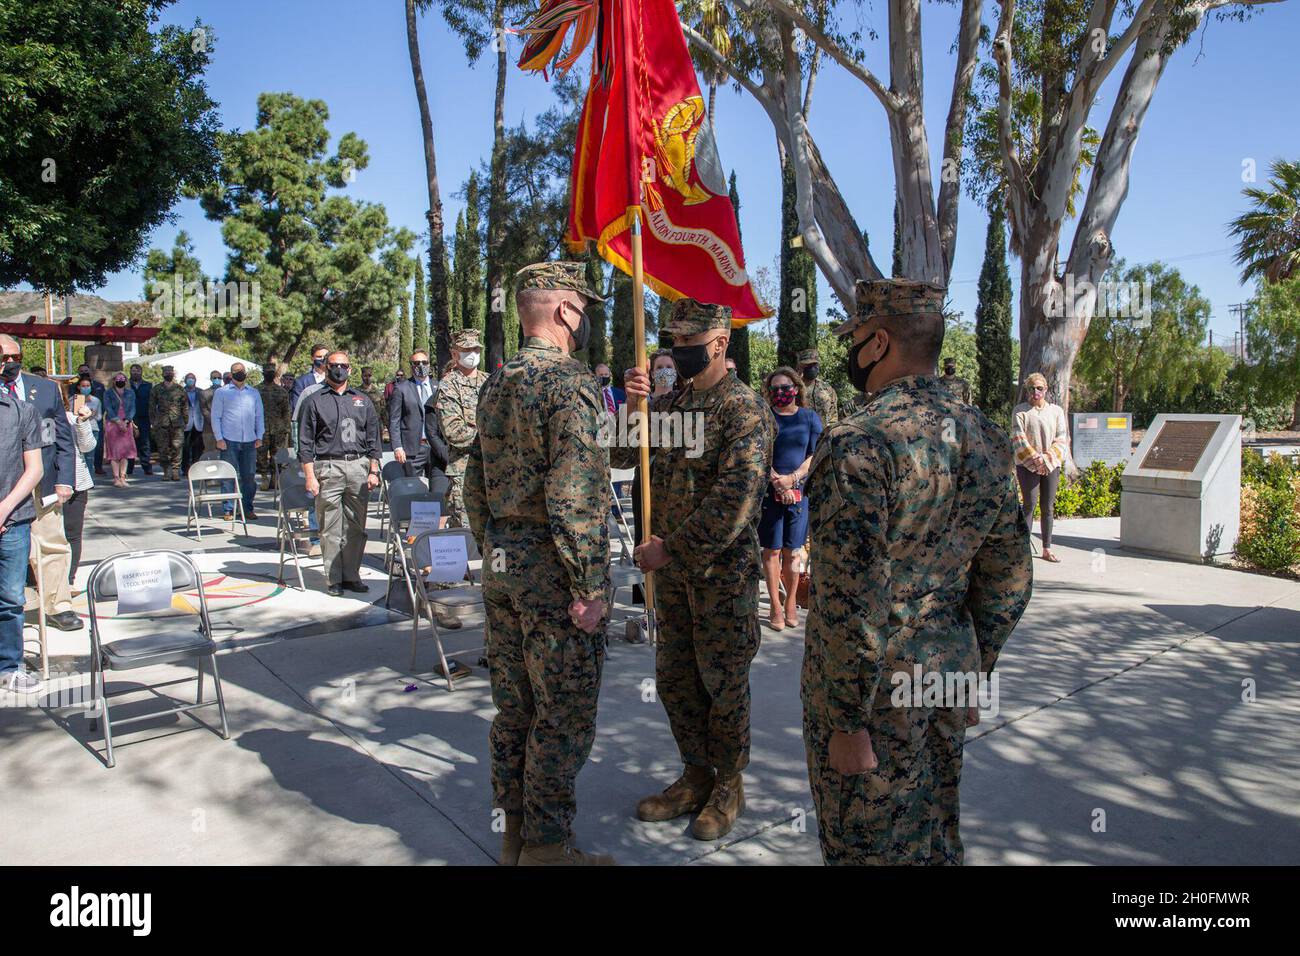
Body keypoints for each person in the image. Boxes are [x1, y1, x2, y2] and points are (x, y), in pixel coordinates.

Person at [802, 278, 1033, 865]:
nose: (849, 350)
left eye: (854, 337)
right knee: (935, 831)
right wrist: (975, 666)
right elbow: (1009, 576)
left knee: (868, 846)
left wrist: (848, 722)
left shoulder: (857, 441)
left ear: (878, 343)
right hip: (946, 672)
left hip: (877, 693)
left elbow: (850, 601)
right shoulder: (985, 436)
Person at [464, 261, 613, 867]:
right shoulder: (568, 384)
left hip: (505, 564)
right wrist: (589, 584)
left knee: (514, 709)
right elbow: (573, 495)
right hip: (554, 571)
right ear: (562, 311)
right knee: (562, 716)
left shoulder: (496, 383)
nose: (584, 320)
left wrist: (493, 548)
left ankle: (514, 835)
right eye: (581, 307)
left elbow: (473, 482)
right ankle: (548, 851)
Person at [618, 298, 775, 842]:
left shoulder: (744, 410)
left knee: (723, 683)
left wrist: (672, 550)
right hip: (673, 581)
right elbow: (618, 453)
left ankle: (729, 784)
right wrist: (632, 407)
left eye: (687, 344)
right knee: (676, 681)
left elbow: (736, 501)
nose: (677, 353)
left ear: (718, 343)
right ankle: (694, 774)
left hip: (720, 578)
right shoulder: (669, 406)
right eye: (673, 343)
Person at [1, 337, 80, 634]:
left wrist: (65, 480)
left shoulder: (45, 389)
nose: (9, 363)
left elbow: (63, 437)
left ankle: (58, 605)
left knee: (51, 544)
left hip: (42, 483)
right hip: (5, 483)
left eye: (14, 356)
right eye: (3, 358)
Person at [297, 351, 380, 596]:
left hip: (358, 467)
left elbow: (373, 437)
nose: (339, 370)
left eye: (344, 366)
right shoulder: (314, 400)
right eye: (334, 365)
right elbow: (305, 442)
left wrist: (373, 469)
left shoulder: (362, 400)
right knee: (330, 526)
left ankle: (351, 575)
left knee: (356, 527)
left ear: (350, 369)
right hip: (328, 467)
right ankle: (333, 579)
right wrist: (310, 476)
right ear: (325, 367)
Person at [759, 367, 823, 631]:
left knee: (793, 551)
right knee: (772, 550)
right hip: (769, 492)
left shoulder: (809, 418)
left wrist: (792, 480)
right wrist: (777, 480)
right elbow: (759, 452)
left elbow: (814, 454)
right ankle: (775, 604)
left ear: (796, 388)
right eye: (776, 388)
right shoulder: (765, 417)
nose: (781, 392)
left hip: (798, 494)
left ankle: (791, 601)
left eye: (786, 387)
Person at [0, 379, 45, 693]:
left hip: (13, 519)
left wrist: (4, 508)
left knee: (11, 599)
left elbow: (34, 469)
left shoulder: (21, 411)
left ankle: (9, 666)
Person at [1013, 372, 1069, 563]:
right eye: (1032, 388)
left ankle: (1047, 548)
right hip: (1027, 465)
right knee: (1029, 506)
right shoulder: (1020, 411)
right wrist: (1035, 458)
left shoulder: (1056, 411)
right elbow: (1019, 439)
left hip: (1050, 464)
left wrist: (1047, 459)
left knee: (1048, 507)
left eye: (1039, 388)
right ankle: (1022, 551)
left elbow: (1062, 437)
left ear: (1046, 389)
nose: (1036, 392)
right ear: (1027, 390)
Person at [436, 329, 489, 529]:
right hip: (465, 473)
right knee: (466, 534)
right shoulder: (449, 386)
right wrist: (492, 435)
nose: (473, 353)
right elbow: (454, 432)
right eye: (467, 349)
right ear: (454, 354)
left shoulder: (490, 381)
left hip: (492, 471)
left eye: (476, 349)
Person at [211, 363, 265, 521]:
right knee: (229, 475)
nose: (240, 373)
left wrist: (259, 436)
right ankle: (228, 509)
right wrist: (219, 438)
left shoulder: (254, 393)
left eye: (242, 371)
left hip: (250, 440)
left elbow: (259, 416)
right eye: (236, 371)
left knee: (249, 476)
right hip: (229, 440)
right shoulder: (222, 393)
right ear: (231, 374)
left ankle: (247, 508)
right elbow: (216, 416)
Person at [62, 385, 98, 587]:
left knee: (72, 533)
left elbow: (87, 446)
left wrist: (82, 422)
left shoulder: (70, 418)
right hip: (47, 487)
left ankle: (69, 579)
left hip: (76, 484)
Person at [388, 349, 438, 478]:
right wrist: (397, 447)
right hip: (412, 449)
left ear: (429, 364)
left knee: (438, 489)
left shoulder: (438, 387)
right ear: (411, 366)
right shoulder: (401, 388)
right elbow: (394, 420)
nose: (421, 366)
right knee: (413, 489)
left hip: (436, 447)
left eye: (424, 362)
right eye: (416, 363)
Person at [149, 365, 188, 481]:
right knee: (163, 448)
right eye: (166, 372)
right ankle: (166, 471)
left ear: (173, 374)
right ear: (162, 374)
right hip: (162, 423)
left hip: (177, 423)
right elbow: (151, 407)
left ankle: (175, 470)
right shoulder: (156, 389)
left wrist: (186, 420)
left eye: (170, 372)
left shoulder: (180, 389)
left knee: (177, 447)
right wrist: (153, 422)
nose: (168, 374)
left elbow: (185, 406)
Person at [258, 363, 291, 490]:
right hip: (262, 428)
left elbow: (286, 411)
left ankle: (275, 477)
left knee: (277, 454)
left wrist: (287, 428)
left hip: (278, 429)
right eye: (267, 372)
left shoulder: (281, 391)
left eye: (272, 372)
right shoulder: (256, 390)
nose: (270, 374)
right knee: (261, 454)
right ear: (263, 374)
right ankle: (264, 477)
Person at [101, 372, 137, 487]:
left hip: (126, 423)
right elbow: (108, 407)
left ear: (126, 381)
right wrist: (117, 421)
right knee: (114, 452)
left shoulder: (130, 393)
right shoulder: (108, 393)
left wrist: (126, 421)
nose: (120, 380)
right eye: (118, 379)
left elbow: (132, 408)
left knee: (125, 452)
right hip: (112, 424)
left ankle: (123, 476)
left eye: (123, 379)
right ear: (113, 380)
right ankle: (116, 477)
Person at [798, 348, 838, 428]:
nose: (812, 368)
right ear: (801, 366)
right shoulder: (794, 389)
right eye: (808, 365)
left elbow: (833, 414)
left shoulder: (827, 389)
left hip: (824, 436)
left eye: (815, 364)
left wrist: (830, 432)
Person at [125, 364, 152, 476]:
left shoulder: (148, 385)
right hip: (129, 418)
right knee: (129, 444)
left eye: (137, 371)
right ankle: (129, 468)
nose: (135, 373)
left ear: (141, 372)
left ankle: (146, 467)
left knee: (145, 443)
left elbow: (152, 402)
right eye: (133, 371)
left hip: (144, 417)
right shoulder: (126, 385)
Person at [73, 372, 103, 474]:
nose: (86, 388)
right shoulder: (73, 400)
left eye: (88, 386)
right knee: (79, 456)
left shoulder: (96, 401)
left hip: (92, 429)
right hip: (78, 429)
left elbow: (99, 417)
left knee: (90, 456)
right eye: (83, 386)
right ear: (78, 387)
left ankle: (90, 481)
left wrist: (91, 415)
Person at [291, 344, 329, 408]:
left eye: (325, 357)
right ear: (312, 358)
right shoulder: (301, 382)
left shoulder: (337, 379)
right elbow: (296, 407)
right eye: (319, 356)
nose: (323, 359)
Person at [181, 373, 205, 474]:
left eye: (192, 378)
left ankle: (196, 468)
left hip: (198, 423)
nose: (191, 380)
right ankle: (185, 468)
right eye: (189, 379)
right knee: (185, 447)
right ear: (185, 380)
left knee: (198, 447)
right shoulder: (180, 391)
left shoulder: (201, 392)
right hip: (186, 423)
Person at [199, 371, 221, 454]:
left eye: (219, 378)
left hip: (225, 428)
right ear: (211, 379)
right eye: (215, 378)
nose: (217, 379)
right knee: (210, 452)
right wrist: (214, 422)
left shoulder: (227, 392)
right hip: (209, 428)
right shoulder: (204, 393)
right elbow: (204, 410)